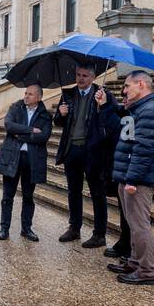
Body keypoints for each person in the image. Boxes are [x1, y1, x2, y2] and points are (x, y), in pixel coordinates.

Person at [110, 69, 154, 285]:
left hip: (139, 179)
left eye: (127, 86)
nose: (124, 90)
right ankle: (134, 262)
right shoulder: (138, 110)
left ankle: (147, 271)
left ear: (141, 84)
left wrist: (132, 179)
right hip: (129, 175)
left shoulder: (150, 112)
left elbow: (144, 150)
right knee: (133, 224)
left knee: (140, 225)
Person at [53, 60, 119, 248]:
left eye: (84, 76)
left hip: (94, 151)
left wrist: (103, 106)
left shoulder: (103, 94)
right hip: (71, 150)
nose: (80, 79)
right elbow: (58, 122)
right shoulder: (68, 94)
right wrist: (61, 114)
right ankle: (74, 228)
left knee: (97, 193)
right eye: (78, 75)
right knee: (73, 191)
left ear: (93, 77)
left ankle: (100, 234)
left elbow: (113, 120)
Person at [0, 83, 51, 241]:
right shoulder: (16, 108)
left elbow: (44, 137)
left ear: (39, 97)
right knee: (7, 196)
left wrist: (21, 134)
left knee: (28, 196)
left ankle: (26, 229)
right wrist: (31, 130)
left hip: (32, 160)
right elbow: (9, 126)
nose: (26, 96)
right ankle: (4, 228)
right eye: (26, 93)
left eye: (30, 94)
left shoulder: (45, 115)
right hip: (13, 156)